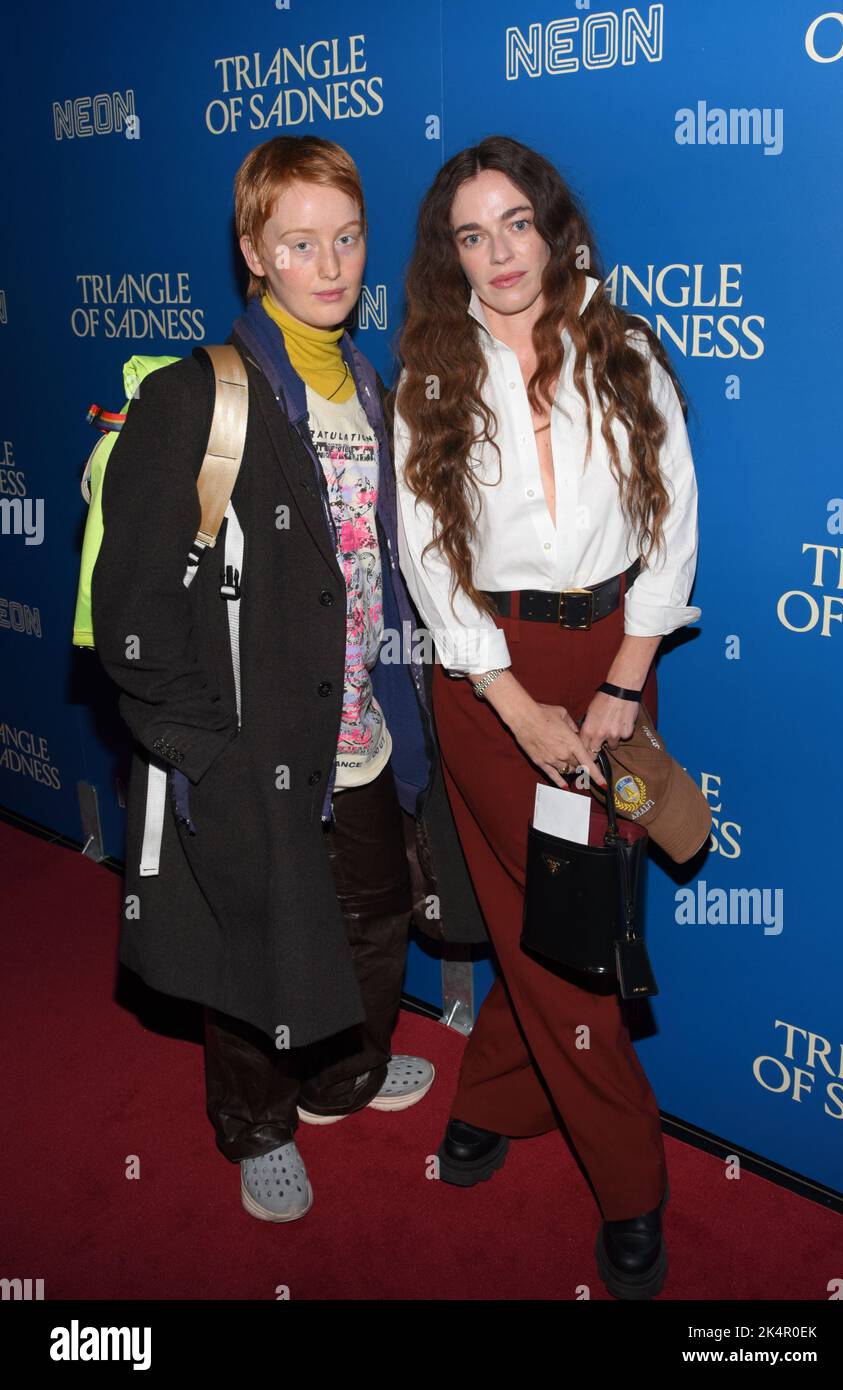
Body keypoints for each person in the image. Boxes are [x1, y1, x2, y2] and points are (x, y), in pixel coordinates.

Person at [92, 134, 488, 1224]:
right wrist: (198, 750)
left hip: (366, 729)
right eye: (301, 243)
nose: (330, 265)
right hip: (247, 741)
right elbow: (132, 609)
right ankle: (255, 1119)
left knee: (371, 915)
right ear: (252, 252)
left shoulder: (376, 386)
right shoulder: (197, 399)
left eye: (348, 239)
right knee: (254, 937)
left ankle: (342, 1075)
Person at [391, 135, 700, 1299]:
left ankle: (491, 1095)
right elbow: (428, 554)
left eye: (514, 221)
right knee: (549, 910)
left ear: (553, 224)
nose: (498, 251)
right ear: (449, 255)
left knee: (566, 910)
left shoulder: (622, 345)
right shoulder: (432, 368)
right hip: (491, 675)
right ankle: (634, 1180)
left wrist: (624, 678)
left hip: (612, 652)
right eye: (471, 233)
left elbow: (672, 522)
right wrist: (513, 703)